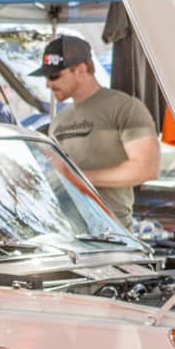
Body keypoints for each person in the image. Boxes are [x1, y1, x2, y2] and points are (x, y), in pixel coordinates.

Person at [29, 34, 158, 229]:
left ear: (81, 70)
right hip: (67, 232)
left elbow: (146, 168)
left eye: (54, 76)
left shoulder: (125, 108)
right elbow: (56, 175)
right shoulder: (59, 120)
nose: (48, 84)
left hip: (111, 233)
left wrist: (79, 178)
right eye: (46, 77)